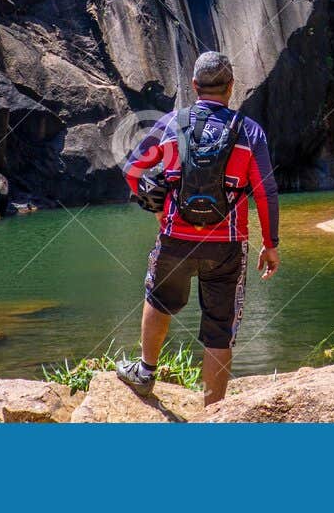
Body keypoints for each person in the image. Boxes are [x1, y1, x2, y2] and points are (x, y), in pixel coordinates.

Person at [116, 51, 280, 405]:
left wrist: (155, 208)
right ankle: (213, 413)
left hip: (176, 237)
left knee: (158, 299)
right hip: (228, 245)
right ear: (231, 87)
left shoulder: (171, 123)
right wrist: (271, 243)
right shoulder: (250, 132)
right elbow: (265, 191)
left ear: (194, 86)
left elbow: (132, 169)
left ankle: (145, 374)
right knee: (220, 330)